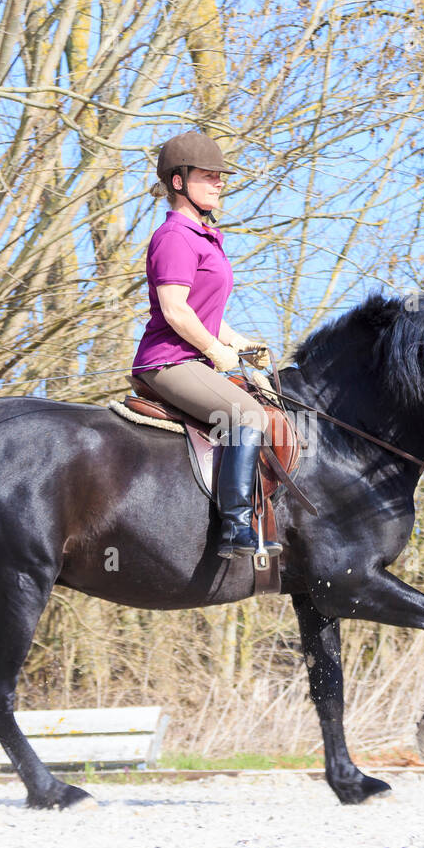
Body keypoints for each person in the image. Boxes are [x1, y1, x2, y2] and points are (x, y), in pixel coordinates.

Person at [132, 130, 278, 560]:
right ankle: (235, 526)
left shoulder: (203, 236)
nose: (219, 182)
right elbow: (176, 311)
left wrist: (240, 343)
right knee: (248, 414)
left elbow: (204, 309)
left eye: (220, 176)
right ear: (178, 182)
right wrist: (217, 353)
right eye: (208, 175)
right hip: (168, 362)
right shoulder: (176, 236)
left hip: (192, 357)